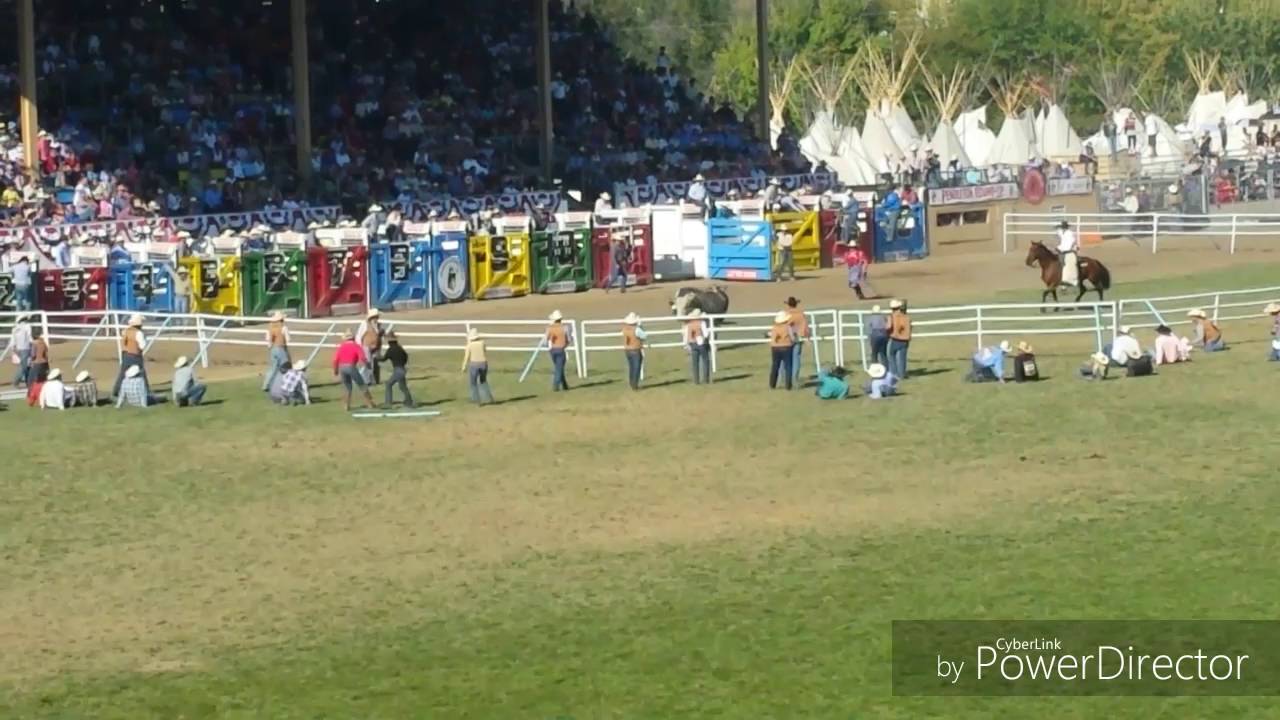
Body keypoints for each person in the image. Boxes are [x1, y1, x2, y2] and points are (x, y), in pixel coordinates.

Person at [333, 330, 376, 411]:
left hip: (342, 367)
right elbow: (362, 358)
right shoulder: (356, 346)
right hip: (351, 366)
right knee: (362, 385)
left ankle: (346, 405)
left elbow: (335, 360)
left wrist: (335, 370)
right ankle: (370, 403)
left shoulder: (341, 347)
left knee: (347, 387)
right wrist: (368, 365)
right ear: (353, 338)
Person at [112, 313, 149, 399]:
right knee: (141, 372)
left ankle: (116, 391)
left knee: (122, 373)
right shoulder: (139, 333)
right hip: (135, 356)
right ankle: (145, 391)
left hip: (125, 354)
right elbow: (142, 346)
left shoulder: (126, 331)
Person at [460, 328, 495, 405]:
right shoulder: (482, 343)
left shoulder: (469, 345)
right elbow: (485, 351)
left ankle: (476, 399)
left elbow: (466, 357)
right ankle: (490, 398)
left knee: (473, 383)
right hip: (483, 363)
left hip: (474, 364)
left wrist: (464, 366)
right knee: (483, 381)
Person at [382, 331, 415, 408]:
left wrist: (376, 359)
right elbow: (406, 357)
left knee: (388, 384)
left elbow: (383, 359)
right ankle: (409, 401)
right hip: (403, 369)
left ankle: (388, 402)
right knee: (403, 386)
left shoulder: (390, 350)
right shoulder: (400, 349)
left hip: (397, 370)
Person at [766, 310, 797, 391]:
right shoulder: (788, 327)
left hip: (775, 347)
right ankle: (788, 385)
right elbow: (793, 337)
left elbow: (772, 335)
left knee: (775, 366)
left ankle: (772, 384)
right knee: (788, 366)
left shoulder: (774, 327)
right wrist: (794, 341)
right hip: (787, 347)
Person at [262, 311, 292, 392]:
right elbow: (288, 339)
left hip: (273, 349)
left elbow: (268, 340)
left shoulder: (270, 328)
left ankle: (266, 385)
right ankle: (285, 384)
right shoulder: (284, 328)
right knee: (285, 367)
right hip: (281, 348)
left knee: (273, 368)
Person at [784, 297, 810, 385]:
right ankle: (794, 377)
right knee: (796, 358)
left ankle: (786, 377)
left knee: (786, 358)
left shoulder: (786, 314)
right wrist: (806, 337)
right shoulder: (800, 314)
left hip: (787, 338)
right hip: (798, 337)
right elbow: (805, 326)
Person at [356, 308, 385, 384]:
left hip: (376, 346)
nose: (377, 318)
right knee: (368, 363)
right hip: (366, 346)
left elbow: (380, 335)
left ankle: (376, 380)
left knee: (376, 363)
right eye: (375, 317)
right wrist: (359, 347)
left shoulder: (378, 325)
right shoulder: (365, 324)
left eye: (377, 317)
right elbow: (359, 336)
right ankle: (367, 380)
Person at [683, 307, 711, 385]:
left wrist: (686, 344)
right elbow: (705, 334)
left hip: (692, 344)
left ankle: (696, 380)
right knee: (705, 360)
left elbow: (686, 336)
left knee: (695, 362)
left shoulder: (688, 325)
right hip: (701, 343)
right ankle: (706, 379)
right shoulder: (702, 323)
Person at [545, 310, 572, 392]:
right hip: (561, 349)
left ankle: (565, 385)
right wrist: (565, 344)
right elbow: (569, 339)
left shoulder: (550, 328)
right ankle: (556, 385)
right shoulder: (565, 328)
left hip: (553, 350)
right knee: (559, 368)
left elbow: (547, 339)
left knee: (559, 368)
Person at [621, 312, 646, 391]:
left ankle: (632, 383)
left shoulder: (624, 329)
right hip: (635, 349)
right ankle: (634, 385)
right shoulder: (637, 329)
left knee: (631, 367)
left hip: (627, 350)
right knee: (636, 367)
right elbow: (644, 336)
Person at [887, 299, 912, 380]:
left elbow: (888, 327)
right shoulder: (906, 317)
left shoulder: (892, 316)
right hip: (905, 339)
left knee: (891, 355)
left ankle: (894, 372)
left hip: (896, 338)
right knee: (902, 358)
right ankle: (902, 374)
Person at [8, 313, 32, 387]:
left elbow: (13, 339)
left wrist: (13, 348)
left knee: (25, 365)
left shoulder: (15, 328)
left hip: (18, 348)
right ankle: (16, 381)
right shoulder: (27, 326)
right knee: (24, 366)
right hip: (26, 348)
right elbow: (29, 336)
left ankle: (28, 382)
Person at [1055, 220, 1079, 288]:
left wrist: (1060, 248)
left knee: (1069, 265)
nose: (1062, 228)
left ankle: (1073, 281)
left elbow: (1069, 243)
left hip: (1069, 251)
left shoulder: (1070, 233)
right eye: (1062, 227)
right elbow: (1058, 233)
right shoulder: (1062, 232)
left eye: (1063, 227)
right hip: (1063, 250)